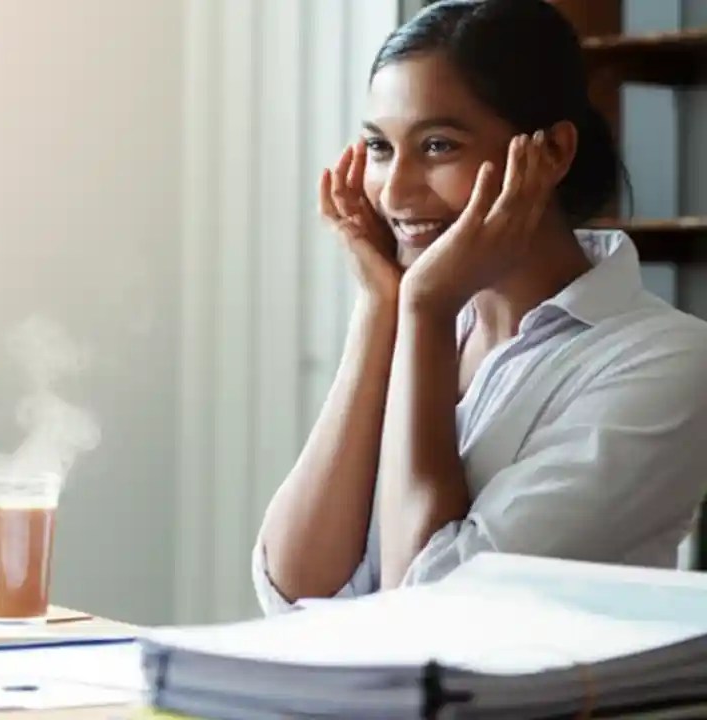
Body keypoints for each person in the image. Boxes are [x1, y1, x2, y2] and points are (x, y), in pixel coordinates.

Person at [254, 0, 707, 614]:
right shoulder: (416, 321)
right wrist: (380, 307)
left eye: (438, 145)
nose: (396, 190)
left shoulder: (670, 361)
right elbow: (293, 588)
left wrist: (424, 313)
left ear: (550, 154)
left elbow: (431, 608)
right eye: (380, 147)